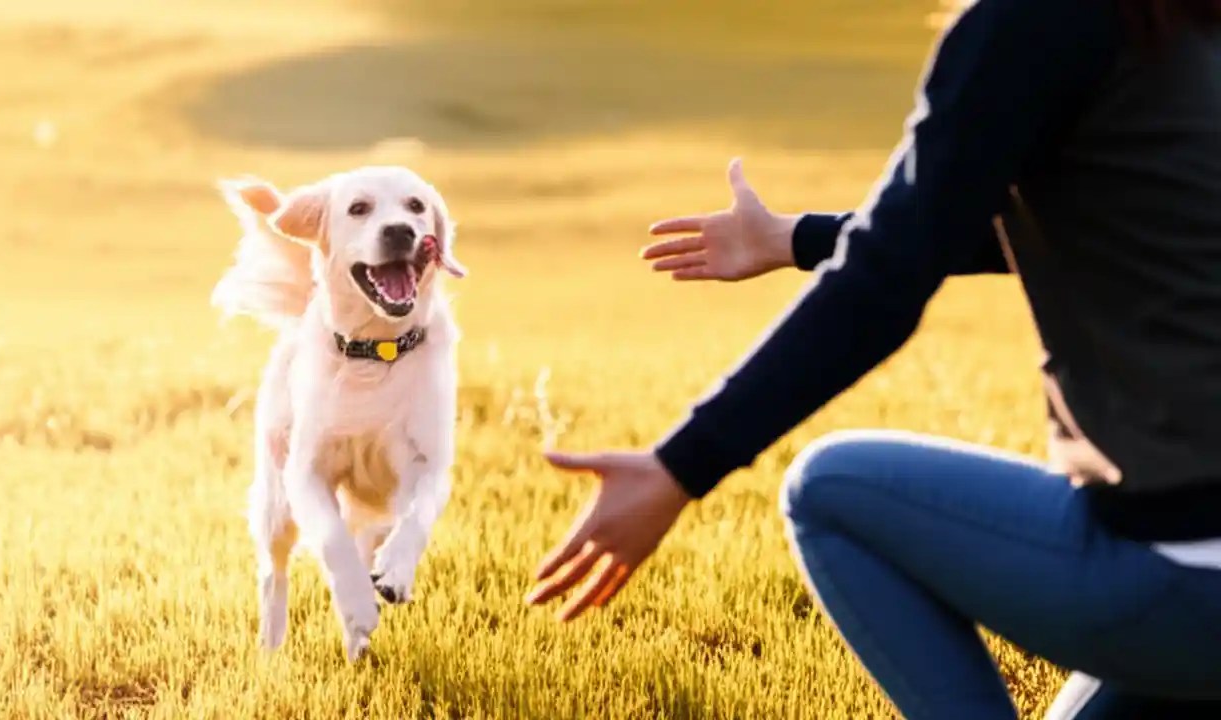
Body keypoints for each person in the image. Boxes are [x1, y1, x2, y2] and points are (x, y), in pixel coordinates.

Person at [522, 0, 1221, 717]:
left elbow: (886, 279)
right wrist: (795, 239)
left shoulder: (1033, 20)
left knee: (828, 491)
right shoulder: (1178, 23)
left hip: (1183, 564)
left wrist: (678, 468)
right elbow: (1022, 225)